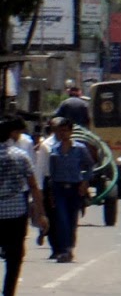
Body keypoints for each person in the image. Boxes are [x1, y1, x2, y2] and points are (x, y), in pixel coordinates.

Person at [0, 116, 46, 296]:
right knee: (14, 257)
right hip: (16, 213)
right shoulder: (21, 156)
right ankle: (8, 292)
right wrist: (41, 213)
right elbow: (34, 186)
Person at [43, 118, 92, 263]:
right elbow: (52, 172)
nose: (63, 133)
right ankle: (64, 250)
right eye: (60, 131)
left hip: (75, 188)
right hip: (59, 188)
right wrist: (50, 191)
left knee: (71, 220)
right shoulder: (54, 150)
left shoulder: (80, 149)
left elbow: (89, 166)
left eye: (66, 130)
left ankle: (70, 248)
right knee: (61, 219)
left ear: (71, 132)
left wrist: (85, 182)